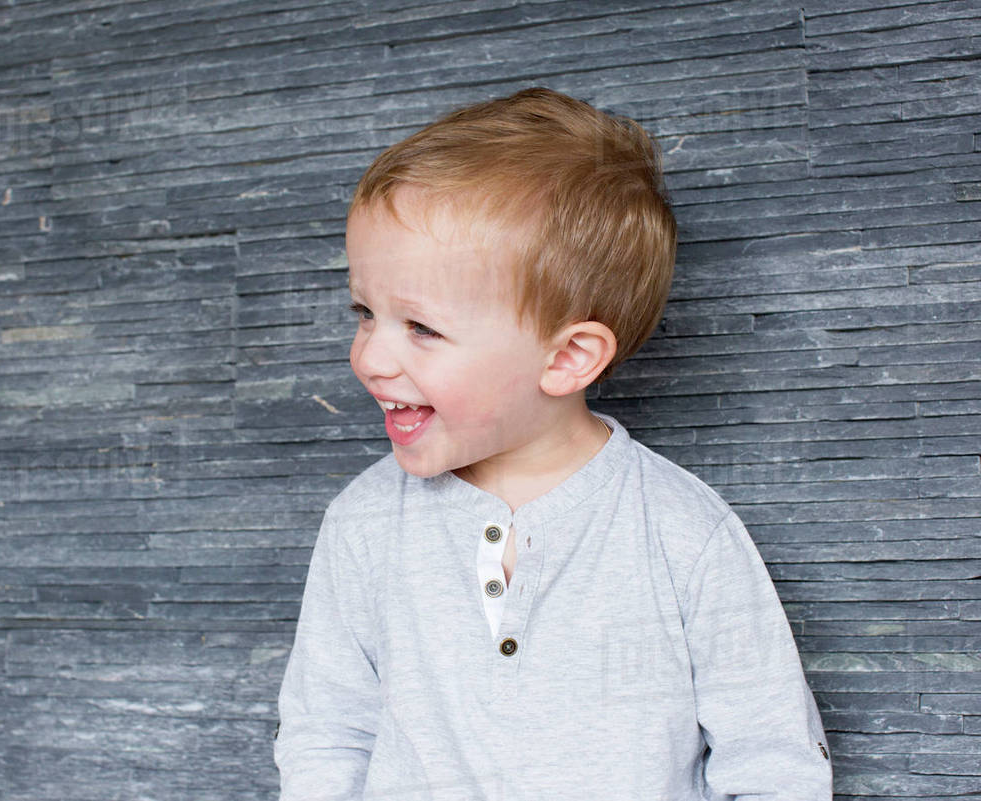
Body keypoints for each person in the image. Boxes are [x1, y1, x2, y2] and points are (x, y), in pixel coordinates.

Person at [273, 86, 833, 800]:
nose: (371, 358)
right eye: (364, 312)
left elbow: (774, 760)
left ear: (567, 358)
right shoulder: (363, 525)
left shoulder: (683, 533)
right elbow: (327, 734)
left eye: (420, 327)